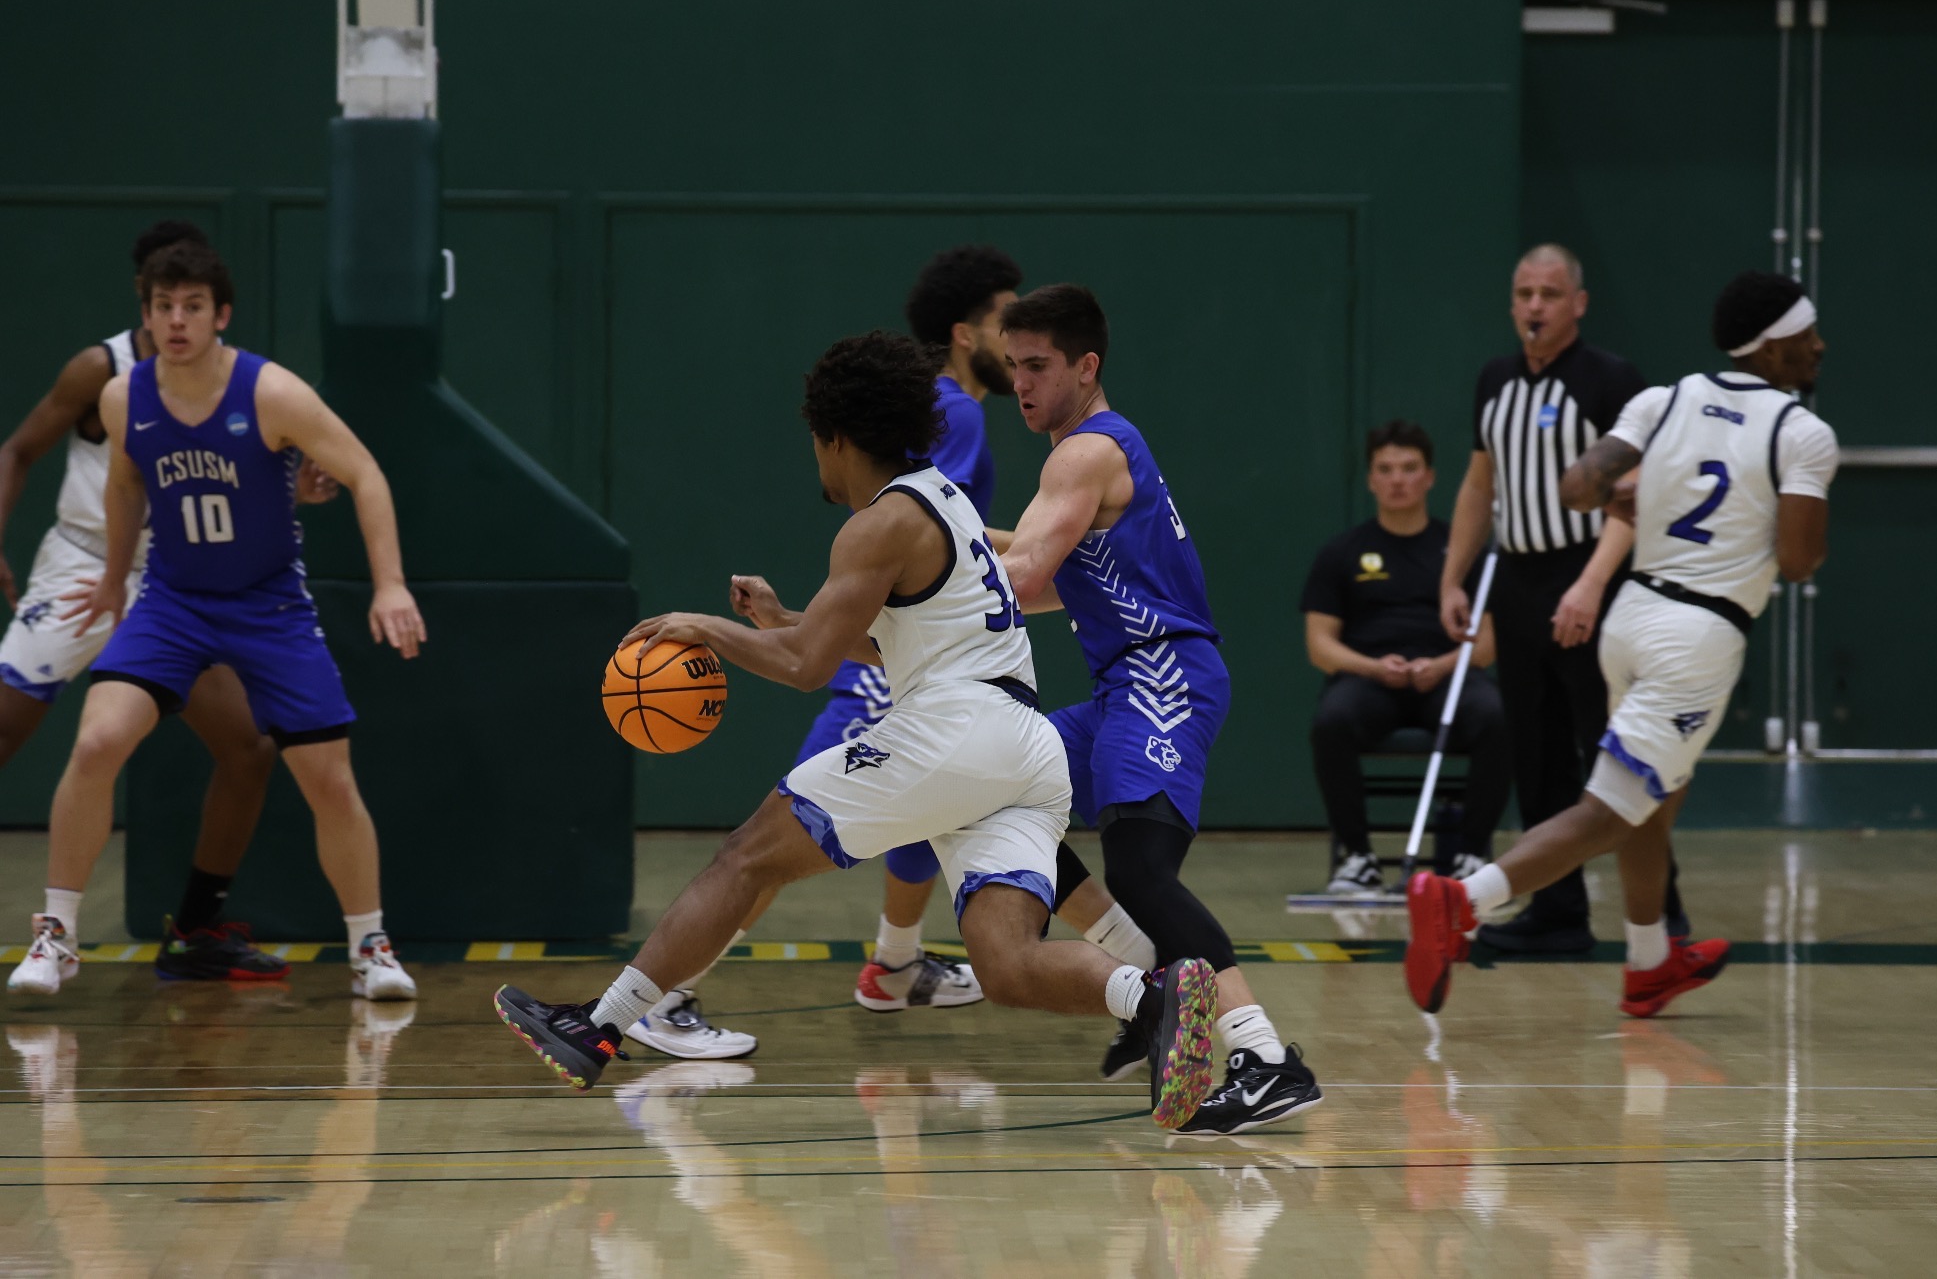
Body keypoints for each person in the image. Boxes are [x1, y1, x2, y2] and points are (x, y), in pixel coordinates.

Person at [493, 330, 1220, 1131]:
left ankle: (598, 1026)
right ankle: (1150, 994)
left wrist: (707, 629)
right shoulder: (947, 500)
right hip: (1022, 747)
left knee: (746, 855)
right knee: (1006, 963)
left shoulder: (878, 523)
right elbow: (880, 643)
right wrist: (778, 618)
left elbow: (808, 667)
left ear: (834, 436)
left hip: (954, 731)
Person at [1405, 271, 1837, 1019]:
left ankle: (1649, 960)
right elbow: (1799, 562)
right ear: (1772, 347)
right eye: (1807, 335)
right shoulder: (1801, 432)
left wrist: (1627, 493)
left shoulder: (1660, 400)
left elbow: (1575, 487)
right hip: (1696, 636)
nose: (1819, 345)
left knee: (1654, 793)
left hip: (1629, 618)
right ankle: (1461, 901)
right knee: (1614, 804)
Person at [5, 241, 426, 1001]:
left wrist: (389, 584)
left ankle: (371, 947)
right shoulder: (121, 396)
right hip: (173, 601)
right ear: (145, 314)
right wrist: (110, 581)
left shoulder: (272, 392)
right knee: (98, 738)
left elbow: (365, 472)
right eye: (163, 306)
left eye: (192, 306)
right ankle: (55, 936)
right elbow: (127, 489)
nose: (176, 320)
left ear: (220, 315)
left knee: (329, 778)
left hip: (269, 606)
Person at [994, 283, 1322, 1136]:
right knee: (994, 790)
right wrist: (938, 539)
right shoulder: (1085, 456)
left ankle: (1265, 1056)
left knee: (1140, 866)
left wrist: (907, 568)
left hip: (1162, 675)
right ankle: (1150, 987)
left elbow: (1023, 577)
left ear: (1086, 366)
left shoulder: (1086, 452)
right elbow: (1046, 580)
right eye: (1011, 367)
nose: (1021, 384)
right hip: (1120, 684)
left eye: (1037, 366)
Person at [1439, 243, 1686, 954]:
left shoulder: (1612, 381)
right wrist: (1453, 577)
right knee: (1537, 749)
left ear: (1578, 302)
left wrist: (1591, 582)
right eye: (1524, 293)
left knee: (1622, 753)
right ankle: (1556, 912)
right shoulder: (1494, 380)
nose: (1535, 306)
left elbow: (1633, 498)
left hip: (1591, 576)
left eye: (1550, 293)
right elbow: (1479, 484)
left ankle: (1663, 911)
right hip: (1517, 579)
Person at [1301, 420, 1508, 898]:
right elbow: (1320, 646)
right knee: (1331, 721)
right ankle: (1358, 859)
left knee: (1497, 717)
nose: (1398, 479)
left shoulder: (1461, 552)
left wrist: (1441, 666)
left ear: (1430, 477)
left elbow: (1489, 643)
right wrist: (1374, 668)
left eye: (1409, 468)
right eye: (1386, 469)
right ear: (1371, 479)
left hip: (1447, 675)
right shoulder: (1342, 553)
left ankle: (1472, 857)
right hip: (1372, 679)